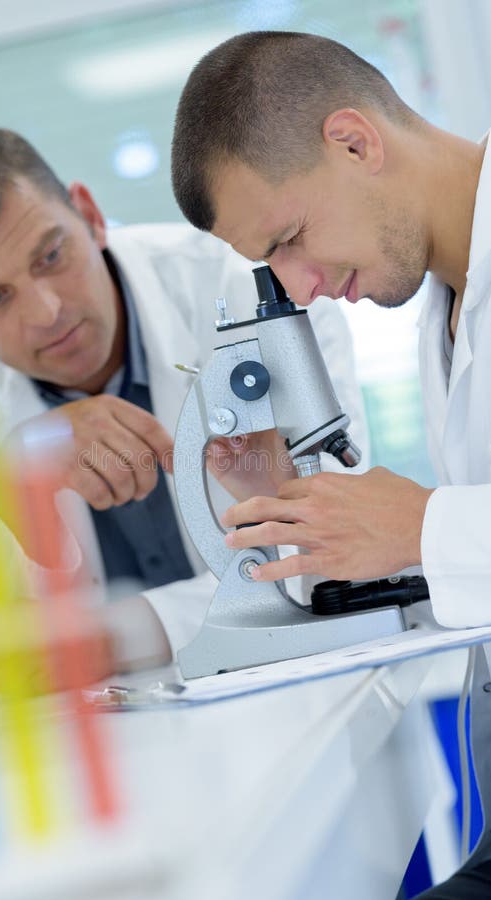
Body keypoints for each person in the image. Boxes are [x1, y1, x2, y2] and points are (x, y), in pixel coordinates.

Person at [170, 29, 491, 899]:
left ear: (354, 142)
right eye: (271, 264)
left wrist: (425, 527)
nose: (300, 287)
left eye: (291, 236)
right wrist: (291, 512)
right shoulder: (450, 304)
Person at [0, 127, 369, 687]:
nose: (46, 311)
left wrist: (113, 637)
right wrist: (13, 479)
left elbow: (337, 544)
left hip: (311, 685)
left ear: (91, 216)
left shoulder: (250, 292)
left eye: (51, 256)